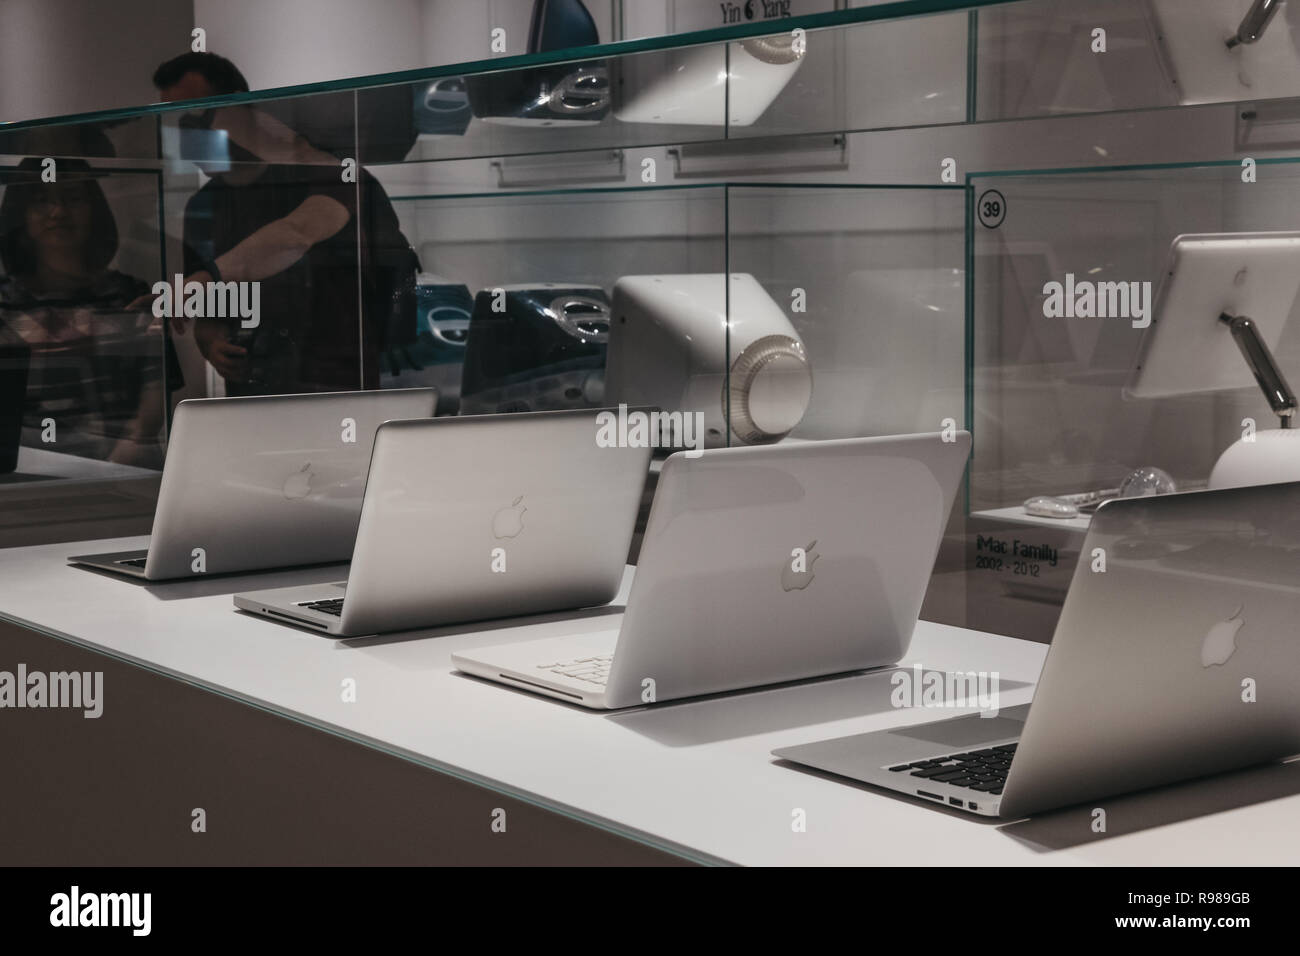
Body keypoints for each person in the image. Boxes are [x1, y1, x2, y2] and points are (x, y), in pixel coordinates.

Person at [151, 52, 418, 394]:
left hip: (337, 387)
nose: (188, 135)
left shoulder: (328, 176)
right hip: (253, 392)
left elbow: (294, 234)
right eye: (175, 123)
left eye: (198, 116)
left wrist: (204, 278)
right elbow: (209, 313)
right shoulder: (202, 207)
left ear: (237, 109)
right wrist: (212, 344)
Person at [0, 158, 175, 466]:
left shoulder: (129, 294)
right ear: (20, 214)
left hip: (123, 474)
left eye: (74, 198)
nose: (58, 212)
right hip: (22, 475)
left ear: (94, 208)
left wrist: (128, 450)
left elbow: (156, 390)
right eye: (41, 200)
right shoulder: (3, 301)